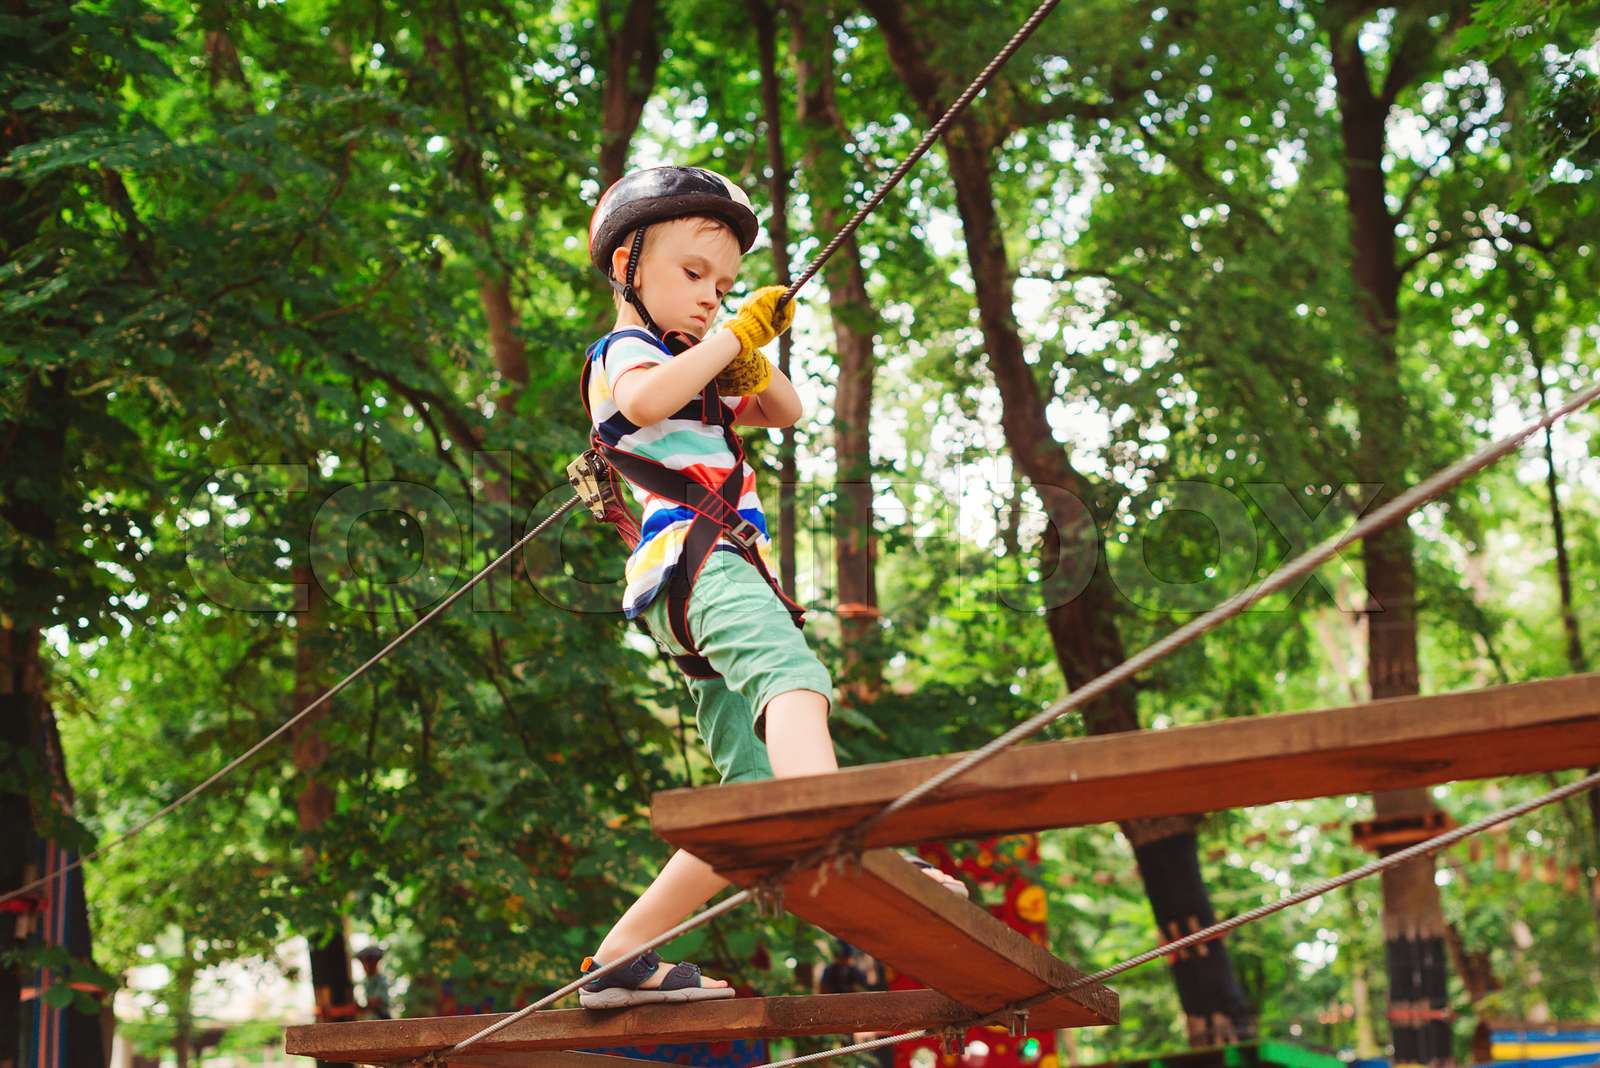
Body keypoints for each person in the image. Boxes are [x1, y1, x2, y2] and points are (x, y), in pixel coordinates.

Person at [576, 166, 964, 1010]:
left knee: (749, 795)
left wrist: (744, 344)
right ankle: (837, 831)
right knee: (795, 682)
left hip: (706, 580)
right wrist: (722, 342)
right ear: (626, 268)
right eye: (691, 275)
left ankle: (624, 956)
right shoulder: (628, 354)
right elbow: (644, 403)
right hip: (696, 563)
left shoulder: (700, 358)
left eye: (722, 285)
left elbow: (782, 408)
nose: (711, 298)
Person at [354, 945, 391, 1019]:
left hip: (383, 1018)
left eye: (368, 962)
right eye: (363, 963)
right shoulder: (366, 982)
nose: (365, 966)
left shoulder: (381, 980)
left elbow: (376, 1001)